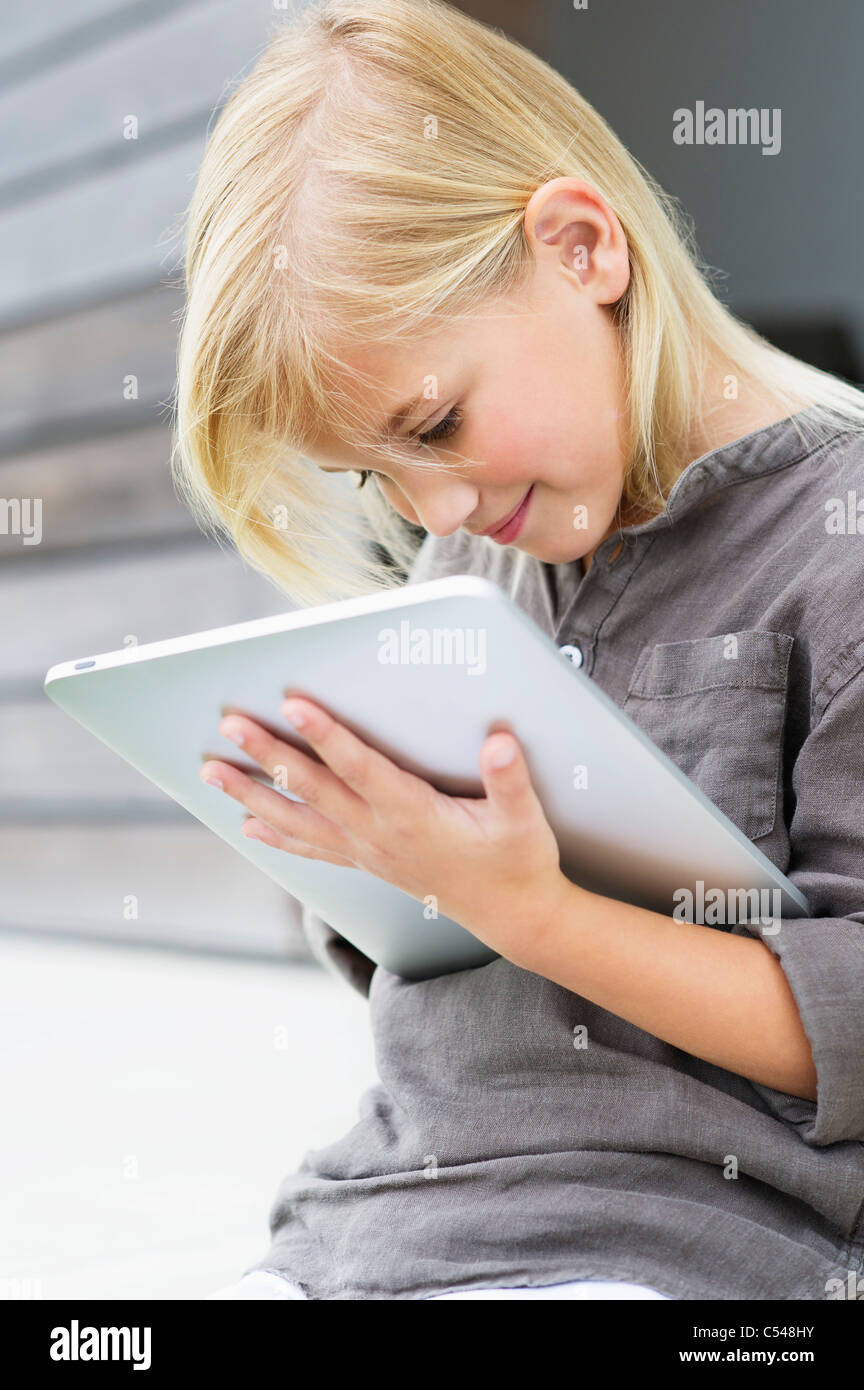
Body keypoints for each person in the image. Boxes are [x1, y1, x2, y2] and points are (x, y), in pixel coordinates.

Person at [173, 0, 864, 1300]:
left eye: (432, 424)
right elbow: (423, 976)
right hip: (379, 1222)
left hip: (680, 1245)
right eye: (373, 475)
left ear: (581, 247)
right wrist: (349, 842)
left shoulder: (840, 548)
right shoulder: (469, 567)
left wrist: (531, 907)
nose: (429, 511)